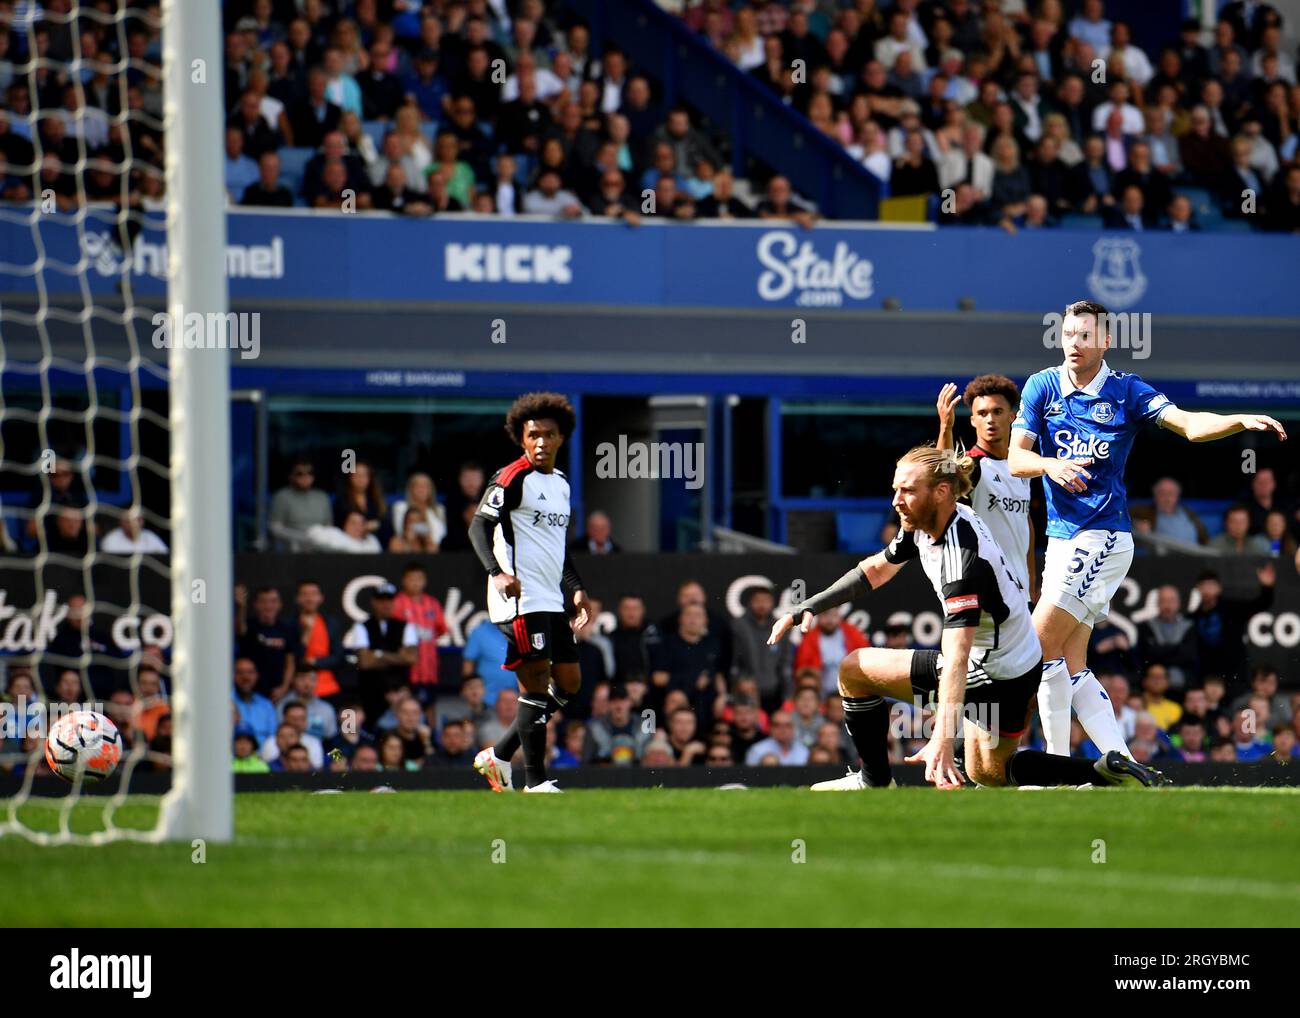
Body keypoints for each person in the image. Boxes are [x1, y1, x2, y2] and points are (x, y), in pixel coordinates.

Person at [768, 445, 1169, 790]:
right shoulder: (930, 519)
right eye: (895, 489)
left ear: (941, 492)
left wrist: (942, 738)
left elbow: (956, 658)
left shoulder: (962, 564)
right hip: (1021, 666)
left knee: (853, 670)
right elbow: (875, 570)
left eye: (906, 490)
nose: (896, 500)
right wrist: (811, 605)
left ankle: (873, 780)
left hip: (993, 671)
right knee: (990, 772)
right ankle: (1107, 772)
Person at [1009, 299, 1286, 758]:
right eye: (1068, 334)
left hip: (1104, 536)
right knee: (1066, 660)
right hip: (1060, 540)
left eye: (1085, 335)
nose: (1074, 344)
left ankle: (1054, 765)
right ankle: (1122, 763)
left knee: (1037, 643)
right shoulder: (1042, 385)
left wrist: (1237, 419)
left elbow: (1189, 425)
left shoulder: (1126, 391)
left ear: (1106, 341)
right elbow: (1017, 459)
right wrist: (1050, 464)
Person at [468, 392, 592, 793]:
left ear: (560, 438)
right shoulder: (510, 477)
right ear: (521, 439)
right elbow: (477, 527)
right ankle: (535, 782)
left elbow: (559, 547)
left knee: (569, 683)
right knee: (535, 685)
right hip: (519, 599)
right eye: (533, 435)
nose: (541, 442)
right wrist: (496, 573)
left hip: (552, 598)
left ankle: (498, 755)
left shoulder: (560, 484)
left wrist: (575, 589)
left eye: (548, 435)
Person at [935, 374, 1036, 601]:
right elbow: (943, 477)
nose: (990, 419)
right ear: (973, 420)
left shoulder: (1023, 466)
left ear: (1012, 417)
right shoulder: (972, 465)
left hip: (1020, 594)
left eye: (997, 412)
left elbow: (1024, 522)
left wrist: (1032, 583)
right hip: (982, 591)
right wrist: (945, 427)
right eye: (982, 413)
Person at [344, 583, 418, 724]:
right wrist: (397, 656)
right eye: (381, 600)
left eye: (389, 600)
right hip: (371, 693)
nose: (385, 605)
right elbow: (365, 662)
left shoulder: (406, 626)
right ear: (373, 602)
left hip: (400, 693)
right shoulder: (362, 627)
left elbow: (411, 658)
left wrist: (377, 655)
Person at [390, 562, 448, 701]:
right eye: (412, 579)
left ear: (425, 581)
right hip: (406, 669)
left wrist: (423, 636)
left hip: (429, 668)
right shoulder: (396, 603)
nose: (416, 583)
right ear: (404, 581)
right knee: (406, 704)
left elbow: (440, 629)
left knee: (430, 704)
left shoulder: (432, 603)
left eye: (419, 579)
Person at [268, 459, 332, 550]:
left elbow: (329, 527)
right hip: (294, 548)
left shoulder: (322, 497)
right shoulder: (282, 496)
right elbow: (275, 528)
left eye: (310, 473)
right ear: (291, 476)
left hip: (321, 546)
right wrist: (303, 538)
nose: (306, 476)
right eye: (300, 473)